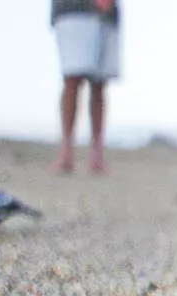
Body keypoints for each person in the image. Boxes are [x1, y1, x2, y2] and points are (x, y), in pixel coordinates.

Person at [49, 0, 121, 175]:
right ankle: (66, 151)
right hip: (73, 10)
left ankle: (96, 154)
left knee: (100, 83)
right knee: (72, 78)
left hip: (107, 15)